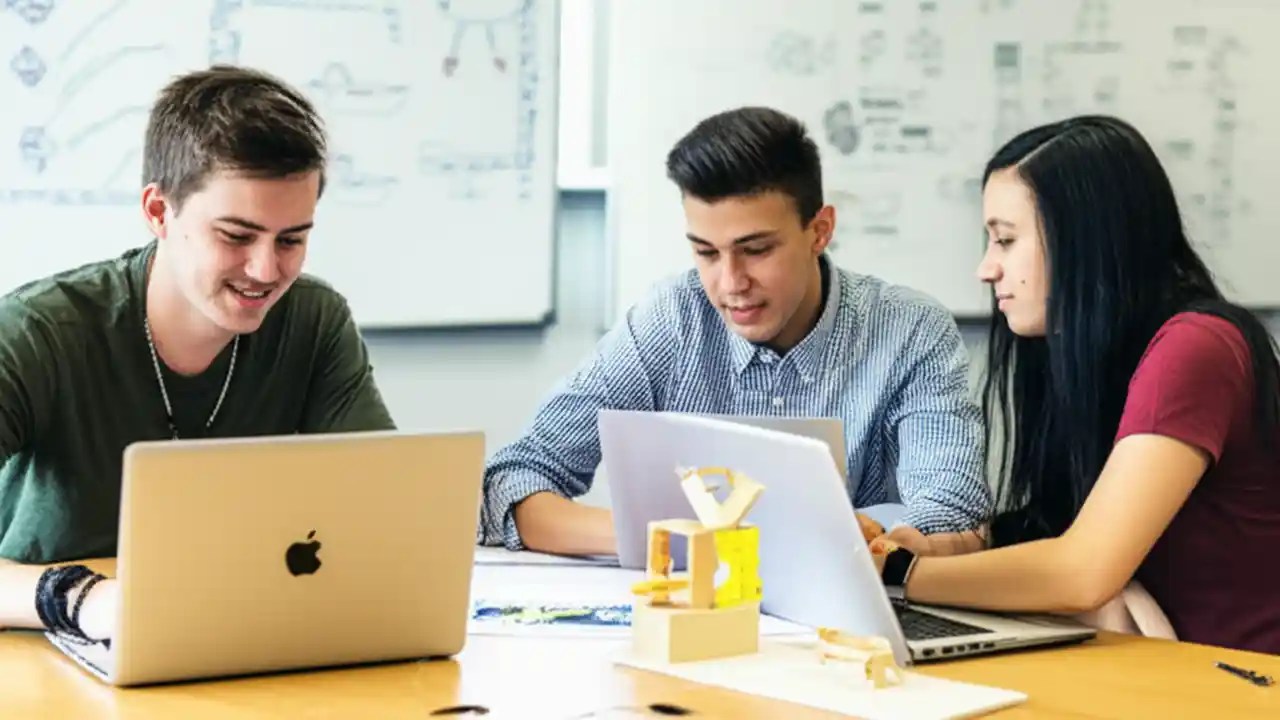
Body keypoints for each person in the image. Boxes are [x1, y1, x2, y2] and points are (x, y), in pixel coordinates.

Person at [480, 106, 991, 555]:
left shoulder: (911, 331)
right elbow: (515, 480)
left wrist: (871, 536)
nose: (730, 284)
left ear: (820, 230)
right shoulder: (671, 319)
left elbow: (953, 508)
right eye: (705, 253)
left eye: (756, 250)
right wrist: (670, 537)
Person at [0, 65, 395, 643]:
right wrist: (83, 600)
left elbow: (386, 508)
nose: (266, 271)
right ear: (159, 212)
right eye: (235, 236)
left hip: (239, 639)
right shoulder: (38, 332)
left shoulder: (314, 321)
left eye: (292, 240)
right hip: (48, 649)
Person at [870, 115, 1280, 654]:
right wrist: (945, 547)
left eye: (1006, 240)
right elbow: (1058, 524)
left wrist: (899, 573)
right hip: (1155, 664)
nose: (986, 268)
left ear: (1084, 241)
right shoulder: (1086, 352)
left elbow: (1084, 571)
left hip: (1237, 684)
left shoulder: (1197, 348)